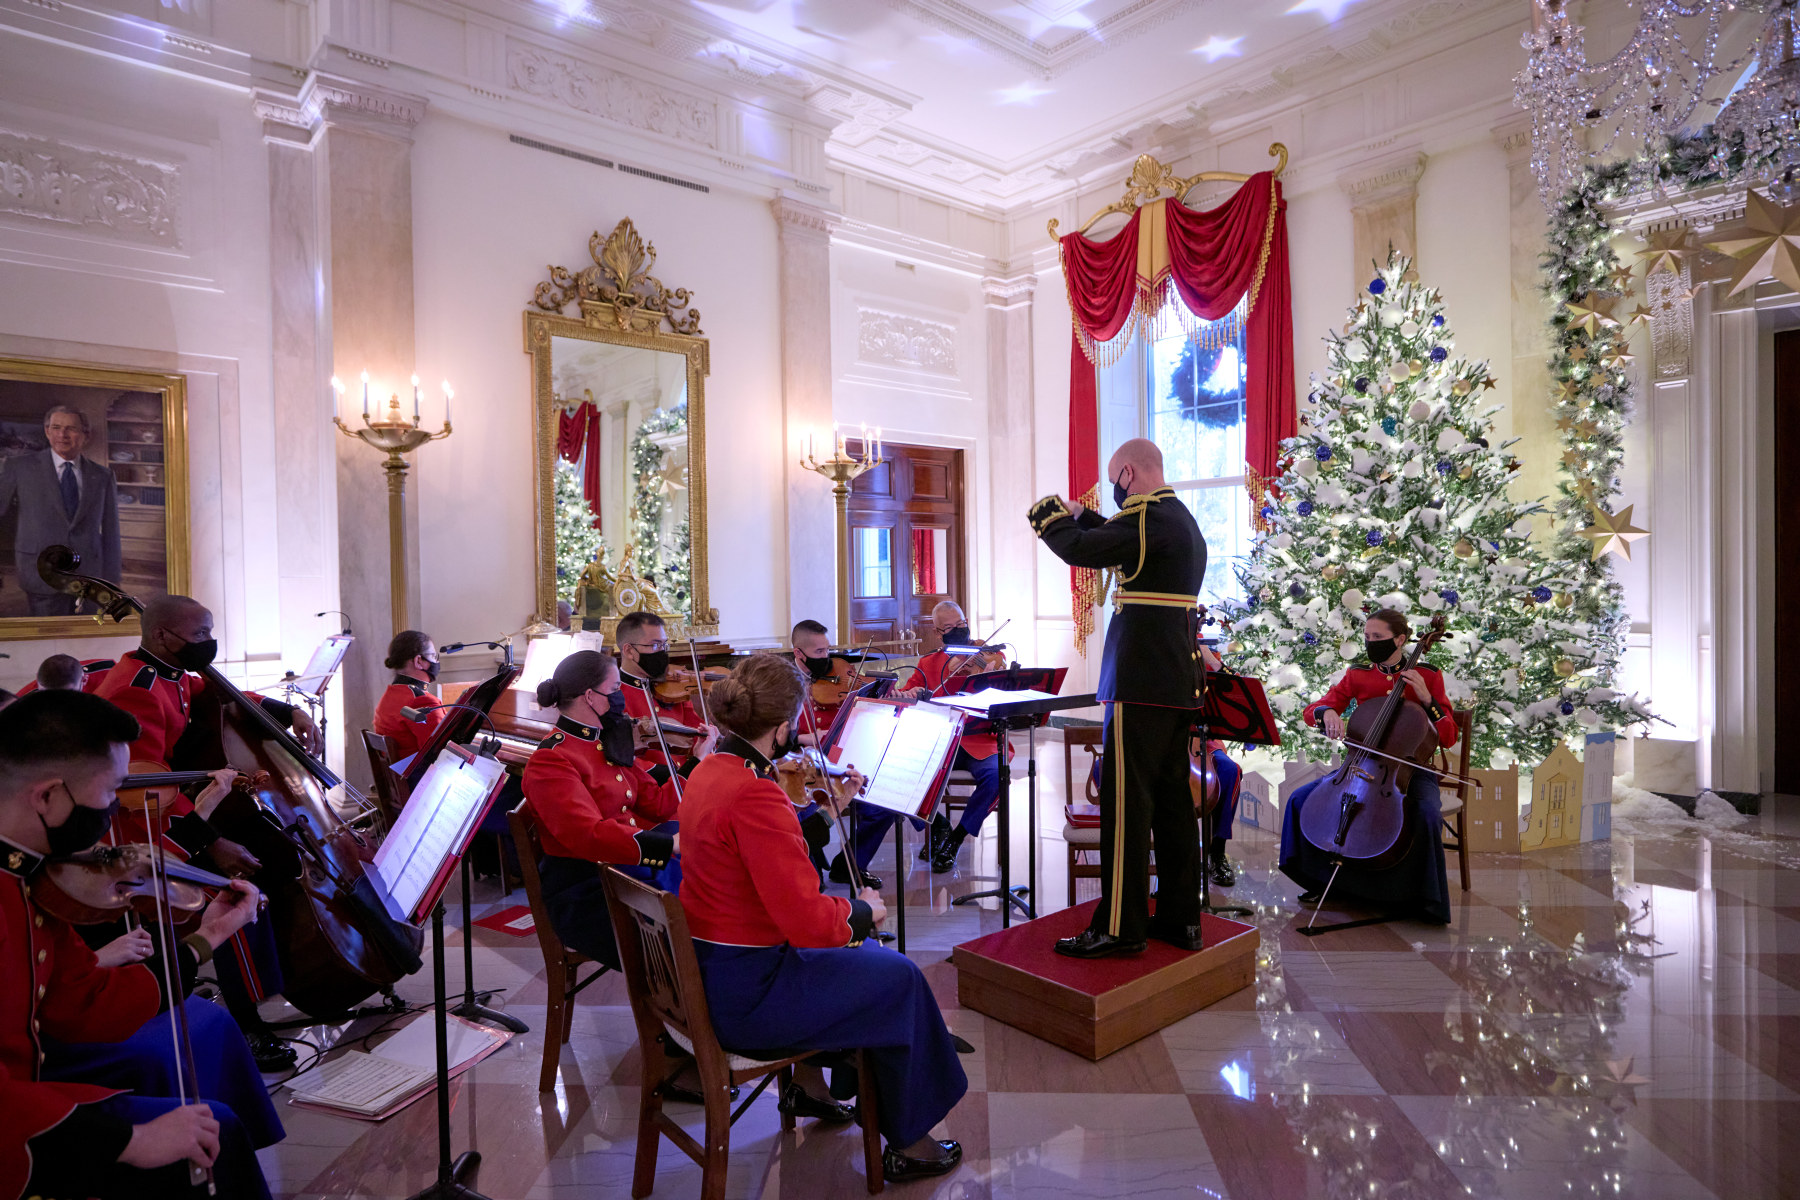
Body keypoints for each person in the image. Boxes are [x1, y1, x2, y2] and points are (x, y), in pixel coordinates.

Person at [680, 653, 966, 1183]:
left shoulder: (710, 771)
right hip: (749, 996)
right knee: (897, 976)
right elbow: (809, 922)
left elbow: (754, 862)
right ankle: (912, 1141)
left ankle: (812, 1087)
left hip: (711, 969)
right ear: (784, 724)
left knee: (870, 967)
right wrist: (862, 912)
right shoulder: (755, 794)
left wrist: (815, 810)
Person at [0, 689, 273, 1199]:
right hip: (18, 1131)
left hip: (26, 1108)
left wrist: (209, 933)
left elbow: (86, 1005)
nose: (111, 819)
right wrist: (127, 1139)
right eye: (108, 796)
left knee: (218, 1128)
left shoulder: (32, 874)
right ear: (47, 797)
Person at [93, 592, 318, 1069]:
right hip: (138, 831)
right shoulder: (137, 687)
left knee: (259, 863)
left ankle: (260, 1000)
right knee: (233, 890)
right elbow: (141, 792)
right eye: (200, 635)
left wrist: (284, 711)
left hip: (167, 813)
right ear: (161, 634)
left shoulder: (170, 674)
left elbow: (216, 691)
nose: (208, 644)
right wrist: (210, 843)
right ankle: (247, 1026)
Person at [1029, 438, 1207, 958]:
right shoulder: (1179, 518)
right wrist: (1087, 515)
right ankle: (1180, 918)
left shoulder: (1149, 518)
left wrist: (1049, 515)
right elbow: (1116, 538)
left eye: (1115, 479)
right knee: (1174, 806)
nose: (1115, 490)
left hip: (1141, 683)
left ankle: (1120, 927)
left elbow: (1084, 551)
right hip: (1175, 683)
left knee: (1127, 808)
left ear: (1127, 473)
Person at [521, 650, 716, 971]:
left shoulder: (604, 741)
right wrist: (669, 846)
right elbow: (589, 835)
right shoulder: (551, 759)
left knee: (717, 905)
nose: (620, 698)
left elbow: (658, 804)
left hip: (626, 871)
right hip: (587, 894)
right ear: (590, 697)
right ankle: (688, 1013)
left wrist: (696, 760)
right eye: (614, 690)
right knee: (698, 941)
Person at [1278, 608, 1455, 925]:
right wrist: (1326, 713)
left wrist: (1428, 699)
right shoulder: (1358, 675)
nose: (1371, 643)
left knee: (1427, 815)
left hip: (1410, 768)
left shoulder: (1428, 675)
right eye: (1367, 637)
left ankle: (1426, 899)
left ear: (1400, 639)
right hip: (1360, 766)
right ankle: (1320, 881)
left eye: (1378, 637)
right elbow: (1313, 710)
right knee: (1300, 799)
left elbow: (1449, 735)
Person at [896, 600, 1011, 874]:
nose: (959, 630)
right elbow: (910, 691)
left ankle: (955, 839)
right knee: (903, 770)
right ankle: (936, 825)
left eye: (961, 624)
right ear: (938, 633)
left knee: (997, 775)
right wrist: (909, 693)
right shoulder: (929, 662)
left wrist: (990, 674)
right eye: (949, 627)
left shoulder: (987, 655)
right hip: (941, 740)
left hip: (980, 740)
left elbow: (1006, 688)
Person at [0, 405, 122, 616]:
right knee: (45, 639)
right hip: (40, 571)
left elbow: (111, 530)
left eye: (71, 429)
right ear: (47, 431)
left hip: (89, 576)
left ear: (86, 435)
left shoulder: (102, 475)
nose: (62, 435)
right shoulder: (19, 467)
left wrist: (111, 578)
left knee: (87, 638)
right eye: (56, 427)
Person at [614, 610, 705, 775]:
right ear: (628, 651)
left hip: (689, 777)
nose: (662, 652)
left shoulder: (672, 689)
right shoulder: (614, 695)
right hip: (650, 784)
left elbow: (696, 731)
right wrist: (662, 772)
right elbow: (620, 753)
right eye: (655, 645)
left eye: (664, 645)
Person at [372, 629, 446, 764]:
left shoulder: (389, 695)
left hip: (401, 778)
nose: (436, 661)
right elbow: (442, 753)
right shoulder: (421, 701)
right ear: (419, 661)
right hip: (421, 780)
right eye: (433, 656)